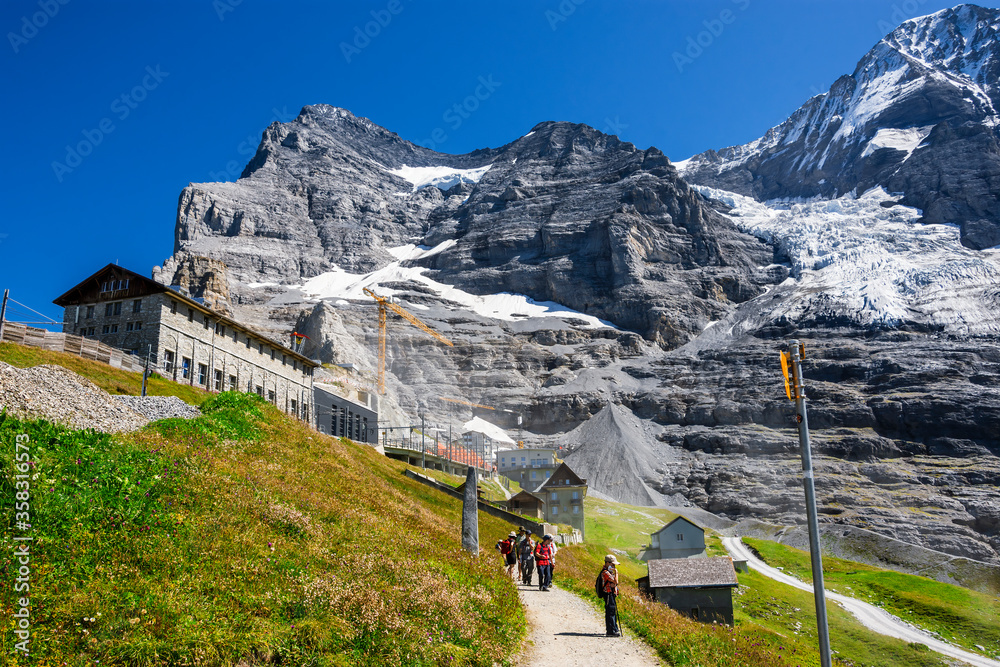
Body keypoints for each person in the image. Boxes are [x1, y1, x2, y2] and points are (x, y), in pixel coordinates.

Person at [600, 554, 621, 637]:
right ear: (607, 563)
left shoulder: (609, 572)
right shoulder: (605, 572)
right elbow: (616, 582)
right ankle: (610, 631)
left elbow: (614, 583)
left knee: (612, 611)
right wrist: (616, 573)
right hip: (608, 593)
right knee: (610, 612)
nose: (614, 566)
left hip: (611, 593)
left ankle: (614, 629)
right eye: (612, 564)